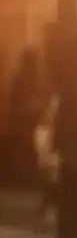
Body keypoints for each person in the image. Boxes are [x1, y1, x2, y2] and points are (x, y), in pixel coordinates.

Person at [5, 48, 48, 188]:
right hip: (20, 131)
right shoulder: (22, 81)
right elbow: (22, 107)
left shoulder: (27, 80)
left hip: (24, 131)